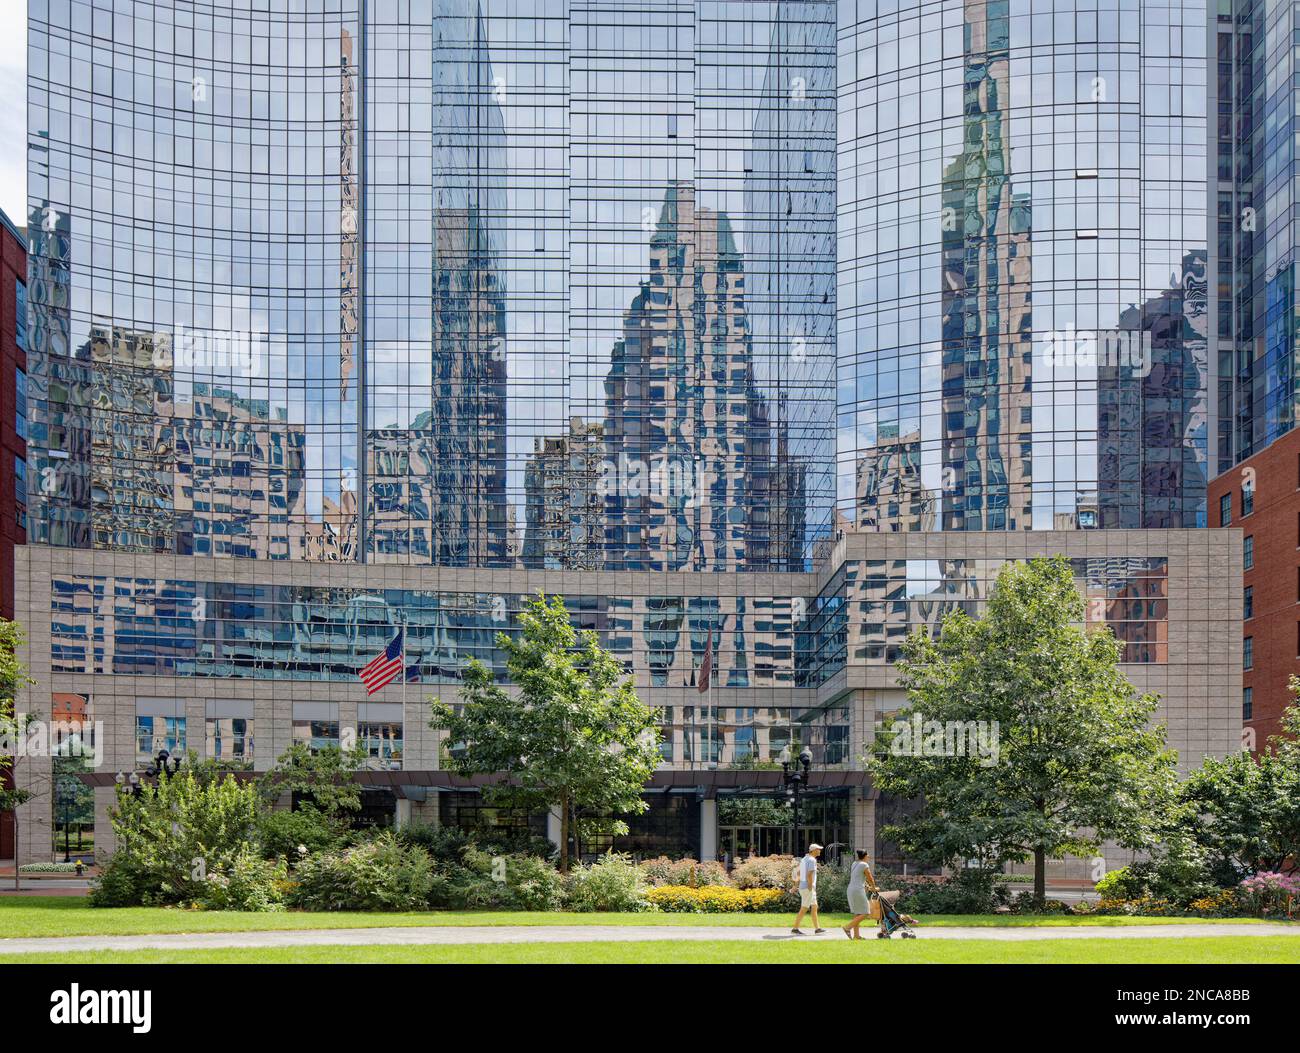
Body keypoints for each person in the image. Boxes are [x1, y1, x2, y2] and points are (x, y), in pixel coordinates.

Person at [791, 843, 826, 934]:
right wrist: (810, 886)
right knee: (804, 908)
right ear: (814, 850)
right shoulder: (812, 860)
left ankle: (817, 928)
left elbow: (798, 873)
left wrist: (796, 885)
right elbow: (809, 874)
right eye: (818, 849)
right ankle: (795, 928)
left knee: (814, 906)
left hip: (805, 887)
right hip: (808, 888)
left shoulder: (804, 859)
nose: (820, 851)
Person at [841, 849, 873, 939]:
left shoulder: (854, 864)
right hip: (857, 890)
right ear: (865, 856)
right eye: (868, 855)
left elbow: (857, 877)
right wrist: (873, 887)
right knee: (866, 912)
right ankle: (847, 927)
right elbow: (870, 878)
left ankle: (856, 936)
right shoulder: (864, 864)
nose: (869, 857)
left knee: (858, 913)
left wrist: (866, 886)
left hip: (851, 889)